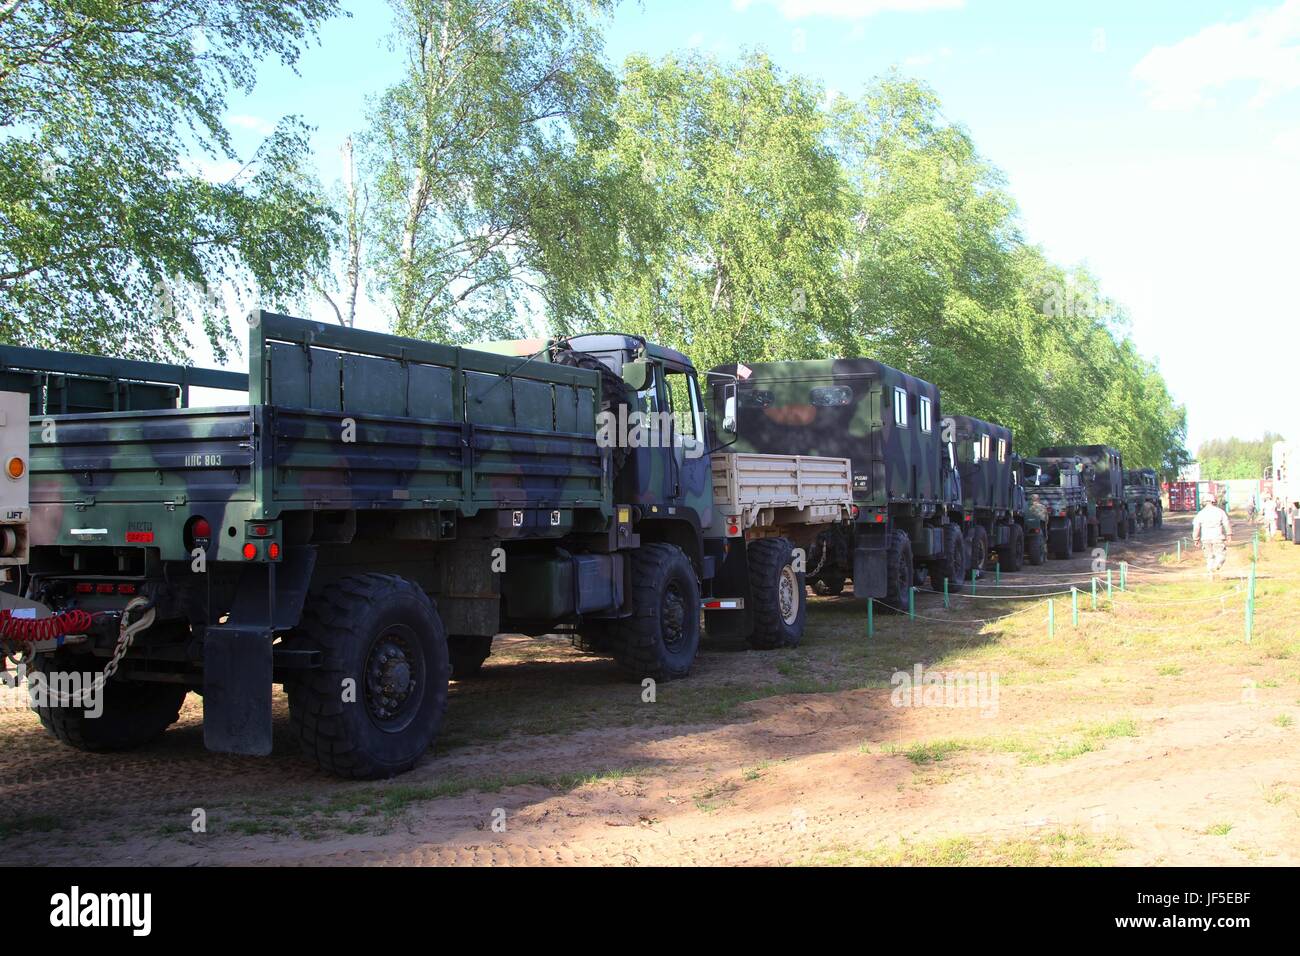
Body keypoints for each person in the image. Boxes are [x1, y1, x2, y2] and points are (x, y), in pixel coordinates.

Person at [1192, 495, 1232, 578]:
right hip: (1218, 537)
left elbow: (1196, 528)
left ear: (1204, 502)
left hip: (1205, 539)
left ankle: (1211, 575)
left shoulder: (1200, 513)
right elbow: (1226, 523)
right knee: (1221, 555)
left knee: (1209, 557)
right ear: (1214, 502)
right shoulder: (1220, 512)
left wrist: (1196, 539)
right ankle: (1216, 567)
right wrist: (1229, 534)